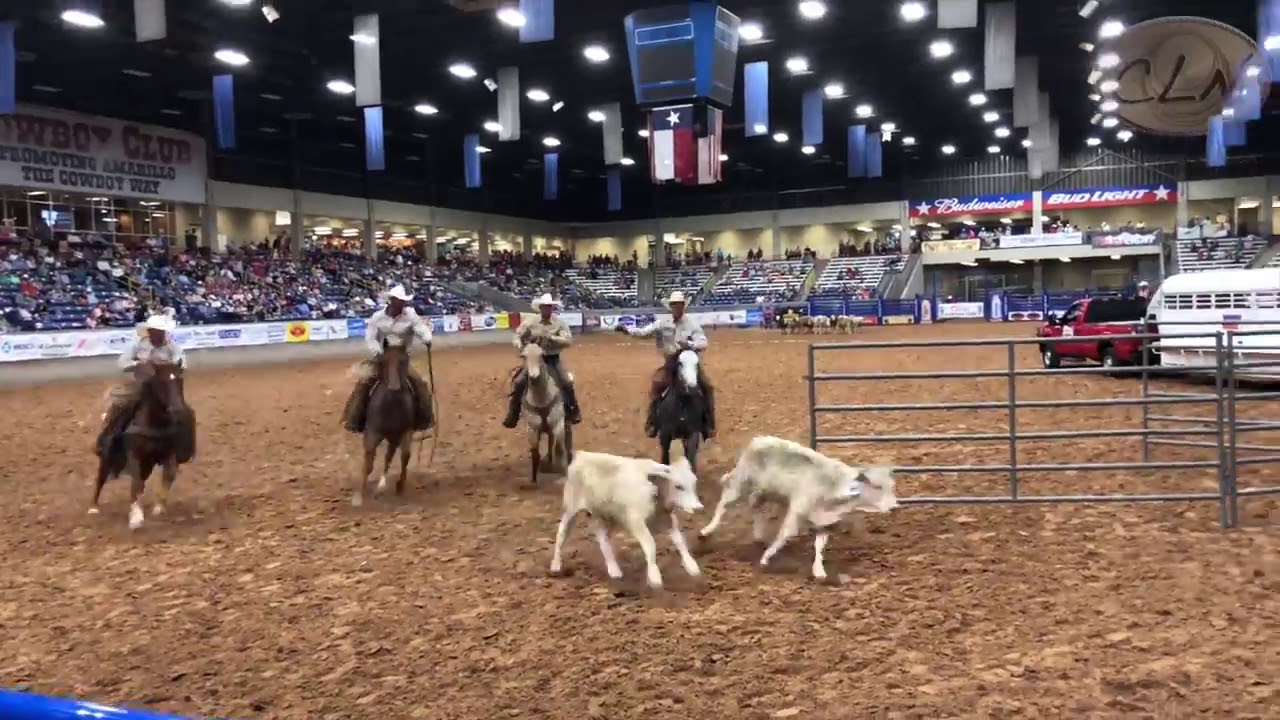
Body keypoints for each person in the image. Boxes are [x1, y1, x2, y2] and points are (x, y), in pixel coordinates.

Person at [614, 290, 716, 438]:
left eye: (679, 304)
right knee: (657, 384)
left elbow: (703, 343)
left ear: (683, 306)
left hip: (689, 361)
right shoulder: (663, 323)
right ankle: (653, 421)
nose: (676, 307)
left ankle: (708, 423)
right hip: (671, 362)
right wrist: (628, 330)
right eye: (674, 305)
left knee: (707, 386)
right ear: (671, 306)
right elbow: (644, 332)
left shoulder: (692, 323)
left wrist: (688, 344)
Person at [341, 285, 434, 433]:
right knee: (363, 385)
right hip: (381, 358)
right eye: (400, 300)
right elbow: (371, 338)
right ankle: (355, 420)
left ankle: (425, 420)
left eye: (404, 301)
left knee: (419, 383)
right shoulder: (377, 318)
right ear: (391, 301)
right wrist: (378, 352)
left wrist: (426, 337)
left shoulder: (410, 315)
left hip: (402, 359)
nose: (403, 303)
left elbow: (420, 329)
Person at [96, 308, 185, 453]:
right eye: (157, 331)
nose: (160, 334)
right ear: (150, 331)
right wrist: (138, 364)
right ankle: (108, 438)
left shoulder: (172, 347)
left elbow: (181, 363)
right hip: (140, 384)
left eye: (162, 331)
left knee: (182, 411)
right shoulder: (138, 344)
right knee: (120, 406)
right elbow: (122, 362)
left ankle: (183, 443)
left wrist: (170, 367)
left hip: (165, 386)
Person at [503, 293, 581, 428]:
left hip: (552, 359)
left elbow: (568, 341)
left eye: (549, 307)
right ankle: (513, 414)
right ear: (540, 308)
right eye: (545, 307)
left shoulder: (559, 323)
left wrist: (551, 338)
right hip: (535, 358)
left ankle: (572, 410)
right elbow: (517, 335)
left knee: (566, 382)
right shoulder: (530, 322)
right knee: (519, 382)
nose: (547, 309)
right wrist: (520, 345)